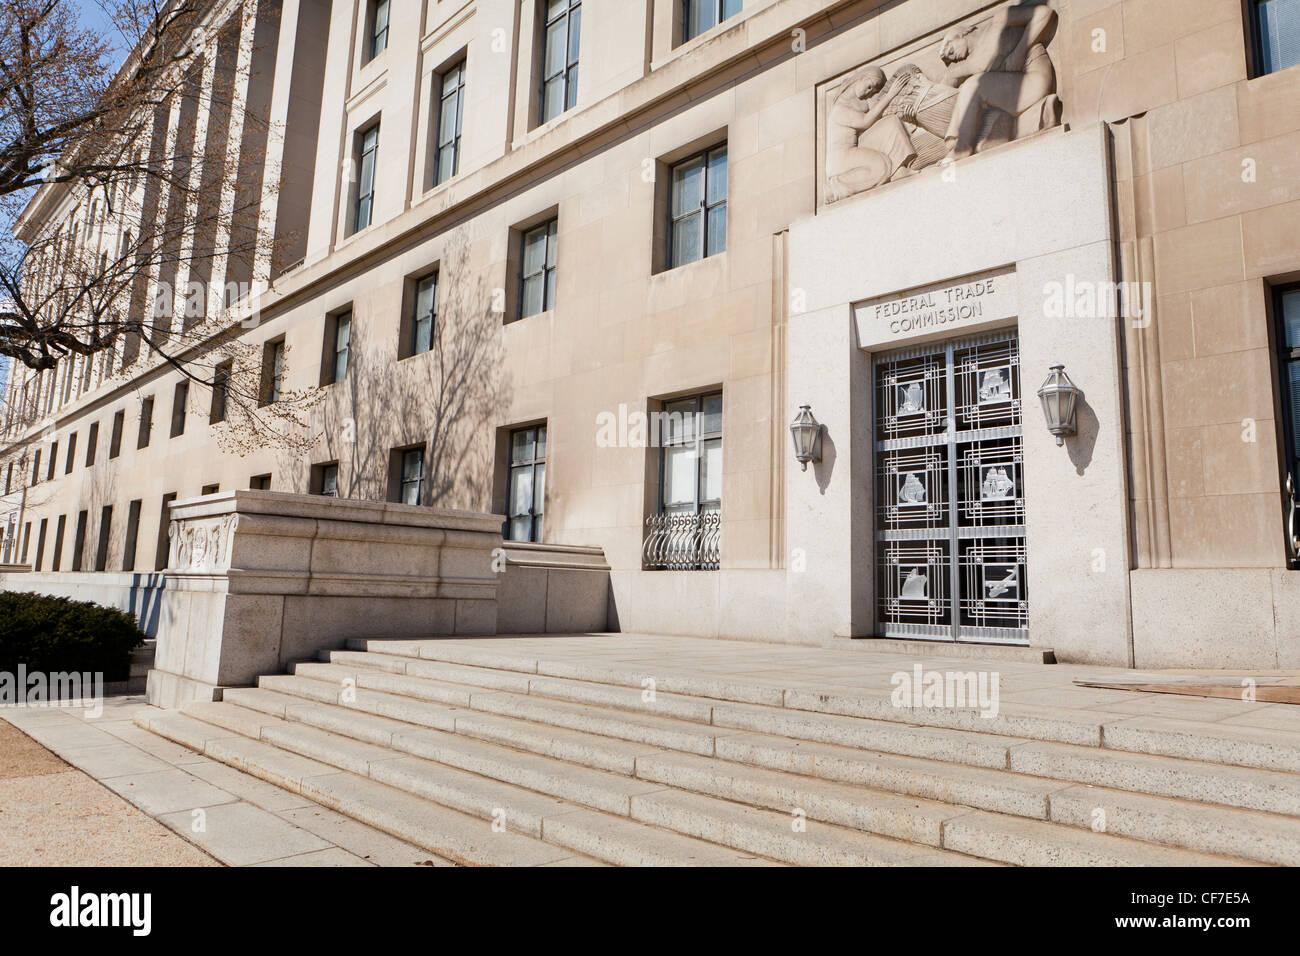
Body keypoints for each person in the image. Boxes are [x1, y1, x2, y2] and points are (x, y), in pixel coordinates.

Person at [939, 2, 1060, 158]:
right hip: (1017, 88)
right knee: (970, 87)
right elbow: (950, 78)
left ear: (964, 32)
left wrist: (1020, 51)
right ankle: (956, 144)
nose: (951, 58)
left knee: (974, 85)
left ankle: (963, 148)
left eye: (949, 49)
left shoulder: (999, 20)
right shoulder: (972, 61)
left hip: (1035, 79)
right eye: (948, 58)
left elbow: (1044, 13)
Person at [825, 66, 916, 200]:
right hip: (841, 158)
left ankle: (899, 169)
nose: (870, 92)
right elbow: (865, 122)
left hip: (855, 149)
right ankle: (835, 188)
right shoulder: (840, 108)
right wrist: (891, 95)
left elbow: (875, 121)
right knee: (881, 166)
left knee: (891, 121)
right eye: (869, 86)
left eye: (873, 91)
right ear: (861, 78)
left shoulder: (860, 103)